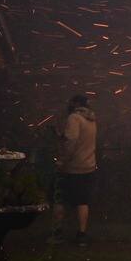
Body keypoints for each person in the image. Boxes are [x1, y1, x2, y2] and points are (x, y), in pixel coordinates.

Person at [51, 94, 97, 246]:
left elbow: (71, 142)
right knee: (82, 201)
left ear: (76, 104)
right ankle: (81, 234)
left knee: (60, 199)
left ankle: (57, 234)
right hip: (88, 166)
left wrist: (62, 161)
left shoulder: (74, 118)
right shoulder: (91, 119)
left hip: (72, 167)